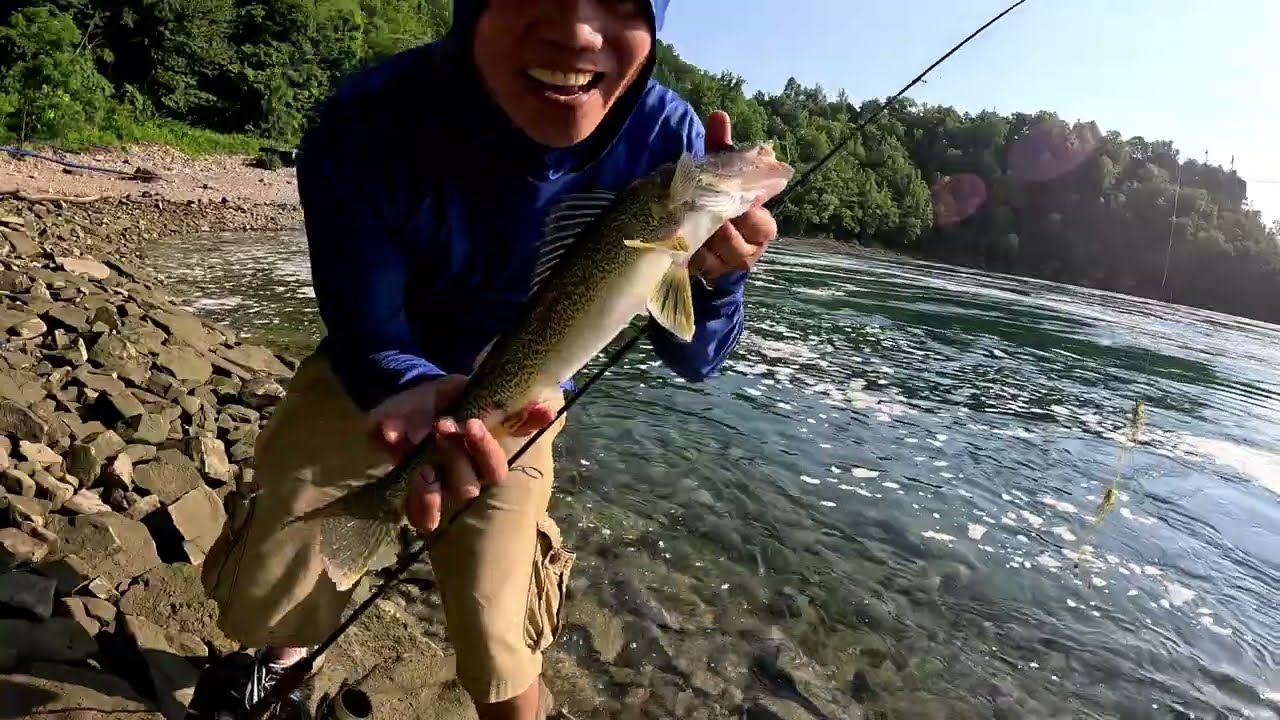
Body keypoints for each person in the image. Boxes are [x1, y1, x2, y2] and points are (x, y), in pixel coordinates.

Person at [192, 1, 779, 718]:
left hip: (522, 402)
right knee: (278, 586)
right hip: (367, 377)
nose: (578, 30)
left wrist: (718, 276)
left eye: (622, 0)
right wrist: (406, 385)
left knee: (501, 636)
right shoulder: (368, 117)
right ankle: (280, 664)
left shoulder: (669, 140)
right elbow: (363, 323)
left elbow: (695, 359)